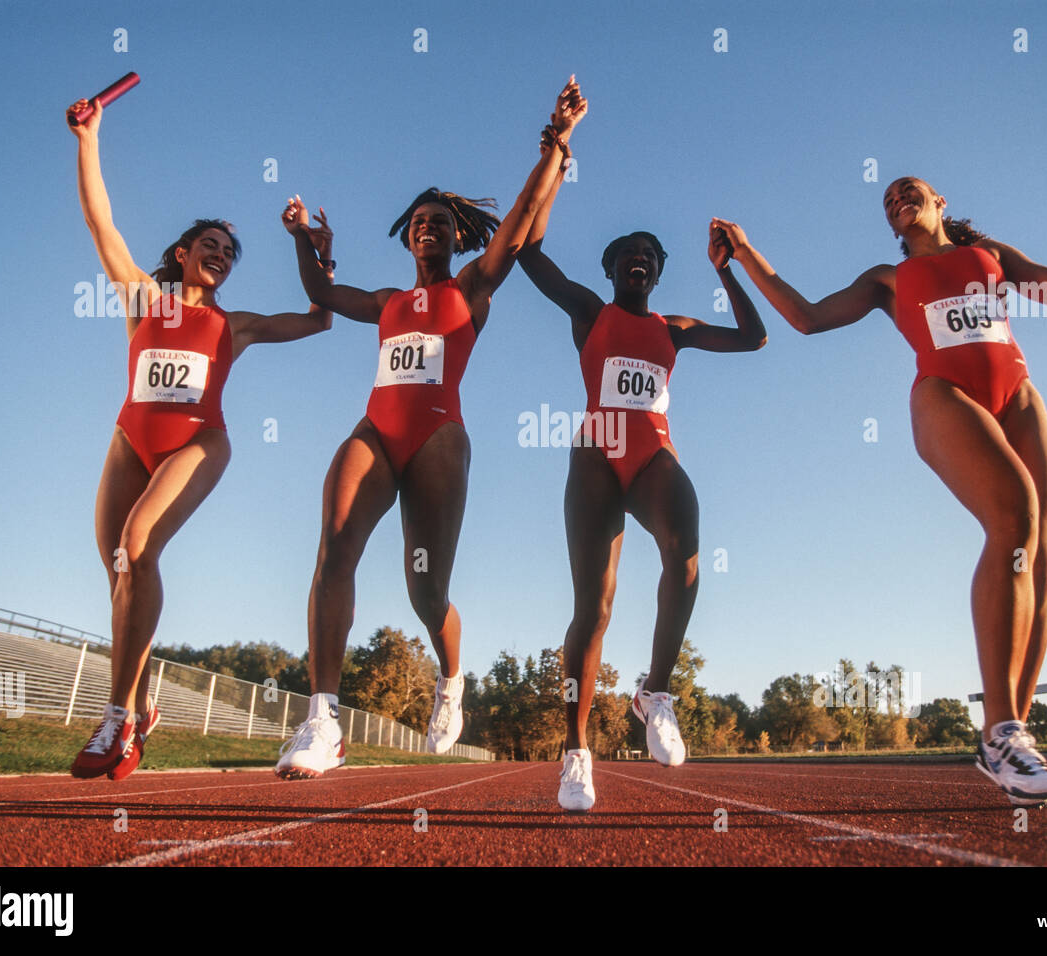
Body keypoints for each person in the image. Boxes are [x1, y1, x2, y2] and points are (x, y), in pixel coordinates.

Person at [711, 178, 1047, 806]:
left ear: (940, 201)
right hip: (945, 394)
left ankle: (1009, 740)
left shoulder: (991, 255)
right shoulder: (884, 281)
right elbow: (807, 318)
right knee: (1014, 518)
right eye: (888, 198)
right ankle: (1001, 730)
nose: (898, 197)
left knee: (1043, 560)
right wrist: (747, 251)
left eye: (910, 190)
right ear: (892, 225)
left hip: (1019, 398)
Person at [274, 78, 589, 779]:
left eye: (440, 222)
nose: (428, 228)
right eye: (418, 221)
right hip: (376, 431)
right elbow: (322, 294)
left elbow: (519, 221)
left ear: (457, 235)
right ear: (407, 234)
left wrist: (557, 142)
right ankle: (321, 720)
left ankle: (451, 677)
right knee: (333, 550)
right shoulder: (387, 299)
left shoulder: (473, 286)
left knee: (425, 591)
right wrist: (305, 242)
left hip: (441, 437)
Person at [66, 97, 333, 780]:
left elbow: (318, 322)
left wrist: (314, 250)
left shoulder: (234, 325)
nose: (219, 257)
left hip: (198, 442)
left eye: (229, 254)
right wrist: (90, 138)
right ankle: (145, 700)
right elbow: (102, 222)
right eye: (208, 247)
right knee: (122, 570)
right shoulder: (141, 301)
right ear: (183, 256)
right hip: (131, 437)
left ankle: (119, 720)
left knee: (137, 546)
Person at [518, 155, 766, 811]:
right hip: (598, 455)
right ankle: (576, 755)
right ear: (609, 270)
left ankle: (655, 693)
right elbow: (528, 251)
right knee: (592, 610)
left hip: (653, 453)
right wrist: (554, 167)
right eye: (629, 254)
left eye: (651, 256)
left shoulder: (674, 329)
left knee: (685, 558)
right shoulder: (588, 310)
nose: (640, 261)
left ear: (659, 272)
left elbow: (754, 337)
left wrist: (725, 268)